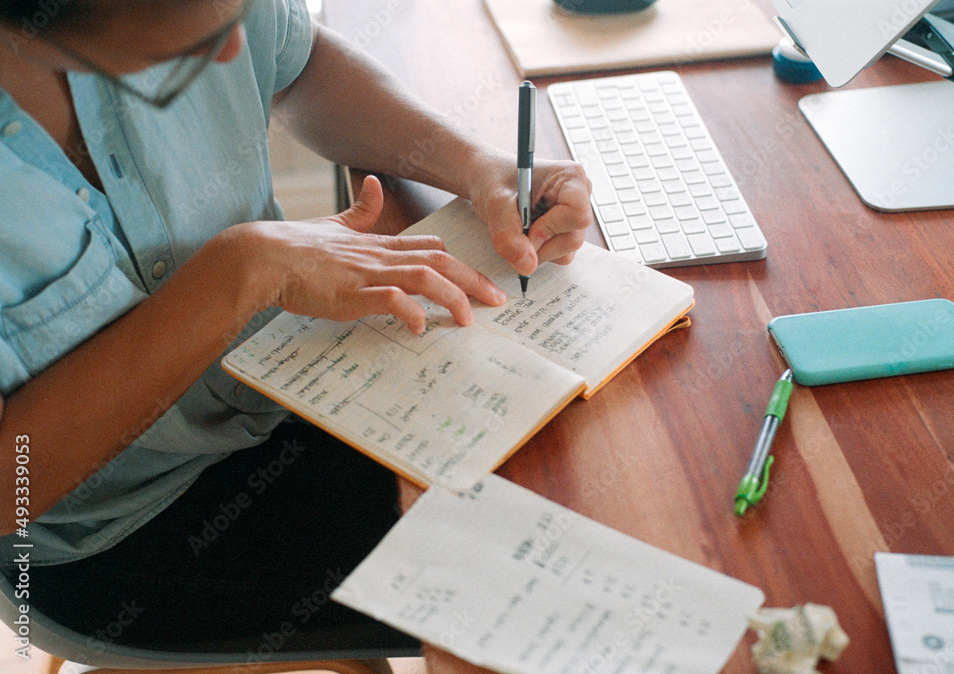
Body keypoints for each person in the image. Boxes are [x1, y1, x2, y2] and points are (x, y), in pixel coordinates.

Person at [0, 0, 592, 662]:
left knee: (582, 473)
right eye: (187, 47)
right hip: (125, 530)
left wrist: (475, 166)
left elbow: (295, 63)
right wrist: (241, 272)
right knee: (542, 598)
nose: (234, 52)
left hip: (291, 385)